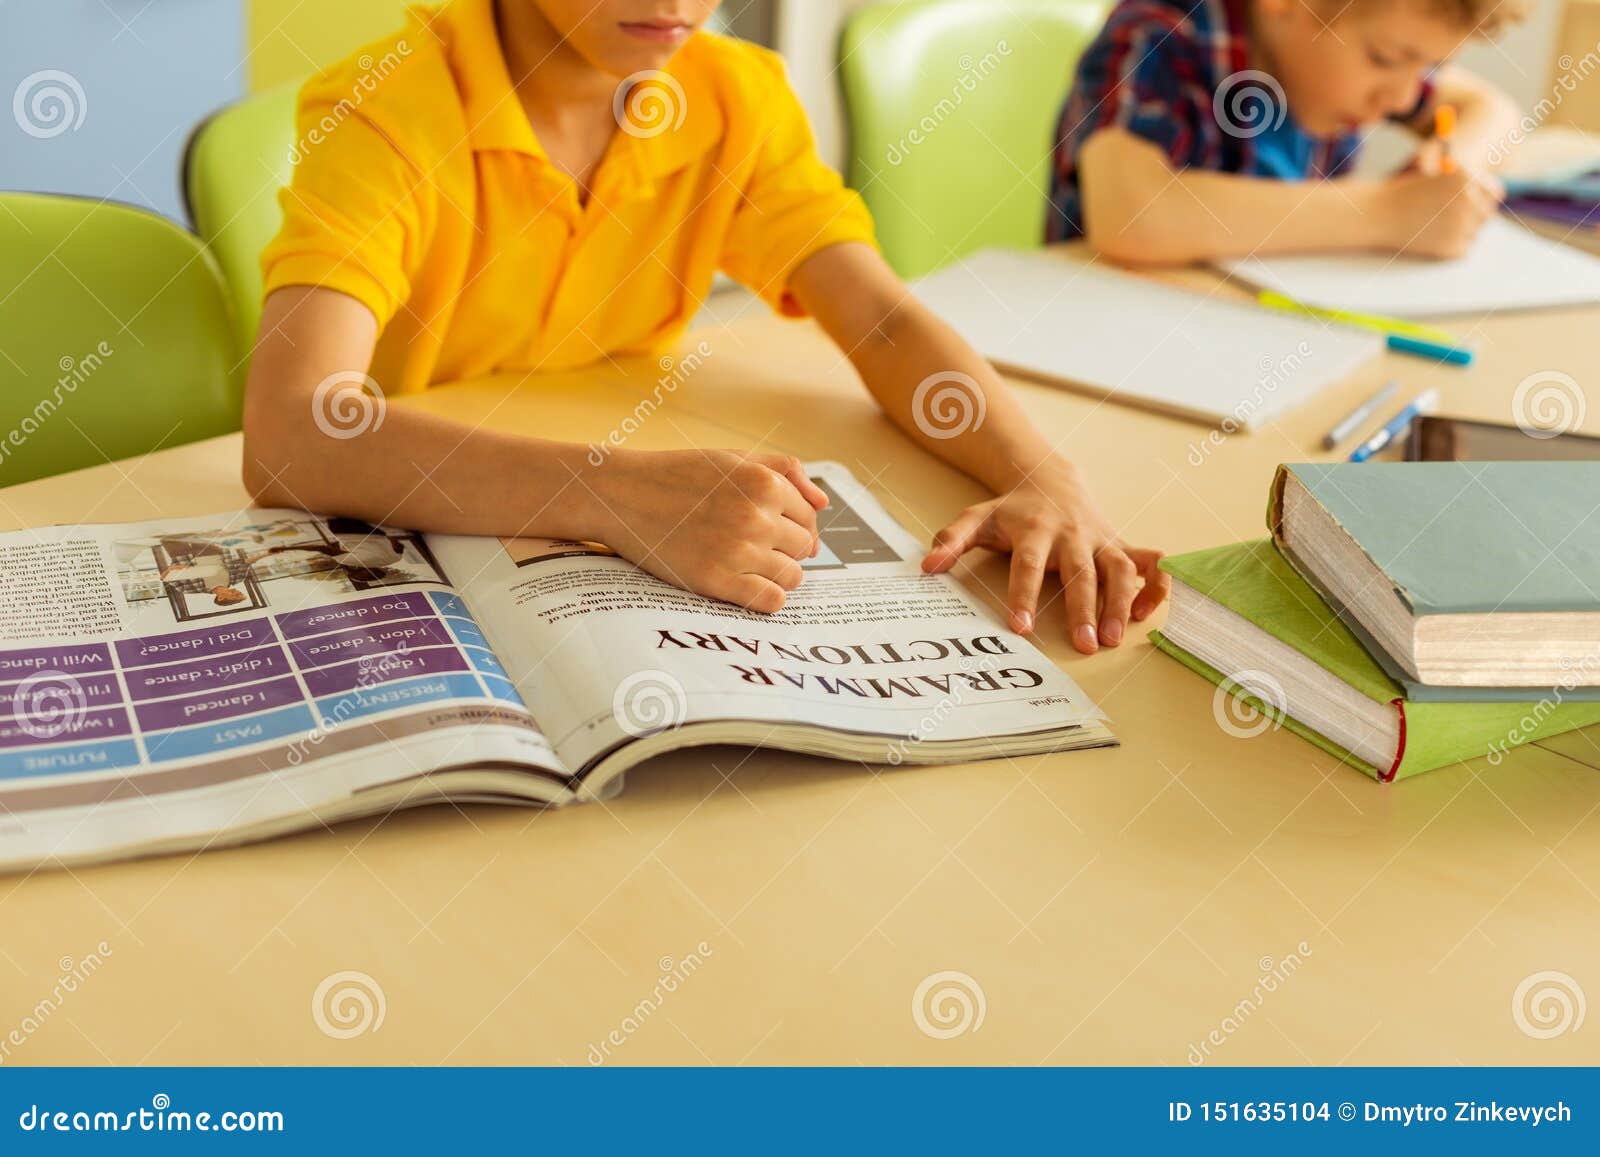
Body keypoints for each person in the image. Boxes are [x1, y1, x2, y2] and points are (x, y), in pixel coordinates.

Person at [243, 0, 1169, 655]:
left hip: (605, 540)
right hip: (421, 533)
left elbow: (881, 321)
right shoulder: (385, 108)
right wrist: (612, 495)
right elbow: (294, 432)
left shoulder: (731, 95)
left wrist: (1043, 475)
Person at [1050, 0, 1525, 264]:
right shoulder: (1157, 34)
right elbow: (1133, 216)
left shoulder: (1352, 58)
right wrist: (1386, 212)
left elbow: (1494, 110)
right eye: (1385, 58)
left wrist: (1451, 166)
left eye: (1430, 65)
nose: (1403, 97)